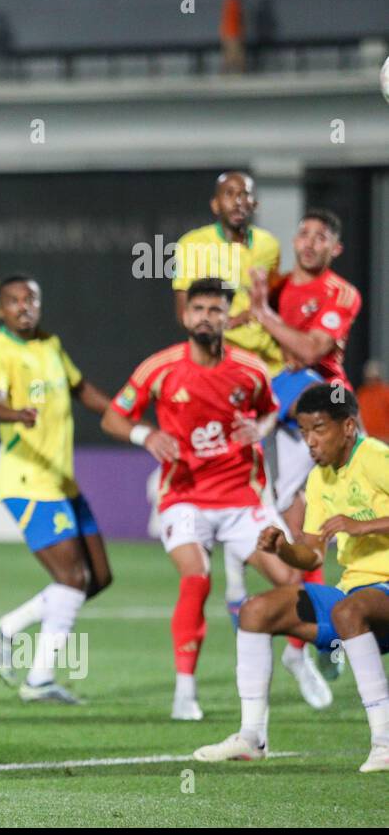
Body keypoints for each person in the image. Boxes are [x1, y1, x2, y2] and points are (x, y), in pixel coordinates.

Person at [102, 278, 330, 720]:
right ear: (185, 315)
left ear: (229, 317)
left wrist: (259, 429)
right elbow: (114, 416)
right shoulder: (160, 368)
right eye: (198, 308)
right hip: (184, 498)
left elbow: (267, 411)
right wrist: (145, 433)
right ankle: (185, 689)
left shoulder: (249, 369)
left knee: (293, 580)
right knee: (197, 576)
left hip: (243, 499)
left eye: (216, 309)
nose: (206, 316)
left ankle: (296, 657)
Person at [192, 384, 389, 773]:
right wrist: (282, 547)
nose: (310, 442)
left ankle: (384, 742)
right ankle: (252, 737)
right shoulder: (320, 479)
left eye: (319, 429)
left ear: (349, 426)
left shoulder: (376, 457)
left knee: (349, 610)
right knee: (255, 611)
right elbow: (313, 552)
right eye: (303, 432)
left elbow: (357, 527)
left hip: (373, 596)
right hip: (357, 597)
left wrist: (362, 526)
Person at [0, 275, 113, 704]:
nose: (23, 307)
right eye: (13, 301)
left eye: (30, 299)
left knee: (98, 578)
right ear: (1, 310)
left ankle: (7, 630)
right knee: (72, 580)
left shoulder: (49, 343)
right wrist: (15, 414)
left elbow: (80, 388)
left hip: (62, 481)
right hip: (28, 481)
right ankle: (38, 678)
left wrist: (126, 414)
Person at [248, 208, 361, 676]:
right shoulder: (275, 289)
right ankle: (310, 641)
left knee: (360, 511)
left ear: (334, 248)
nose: (310, 242)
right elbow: (244, 329)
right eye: (304, 233)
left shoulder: (342, 293)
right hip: (286, 416)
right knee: (300, 528)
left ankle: (343, 620)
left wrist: (263, 317)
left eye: (321, 237)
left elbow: (313, 350)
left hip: (330, 407)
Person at [171, 171, 282, 374]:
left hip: (270, 363)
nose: (238, 201)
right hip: (222, 360)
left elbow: (273, 303)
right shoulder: (192, 244)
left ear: (254, 204)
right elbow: (184, 315)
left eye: (244, 194)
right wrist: (233, 321)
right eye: (229, 194)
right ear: (215, 204)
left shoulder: (270, 245)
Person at [357, 360, 389, 443]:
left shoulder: (386, 393)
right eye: (369, 379)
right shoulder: (362, 394)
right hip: (367, 439)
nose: (371, 381)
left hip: (384, 439)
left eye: (374, 379)